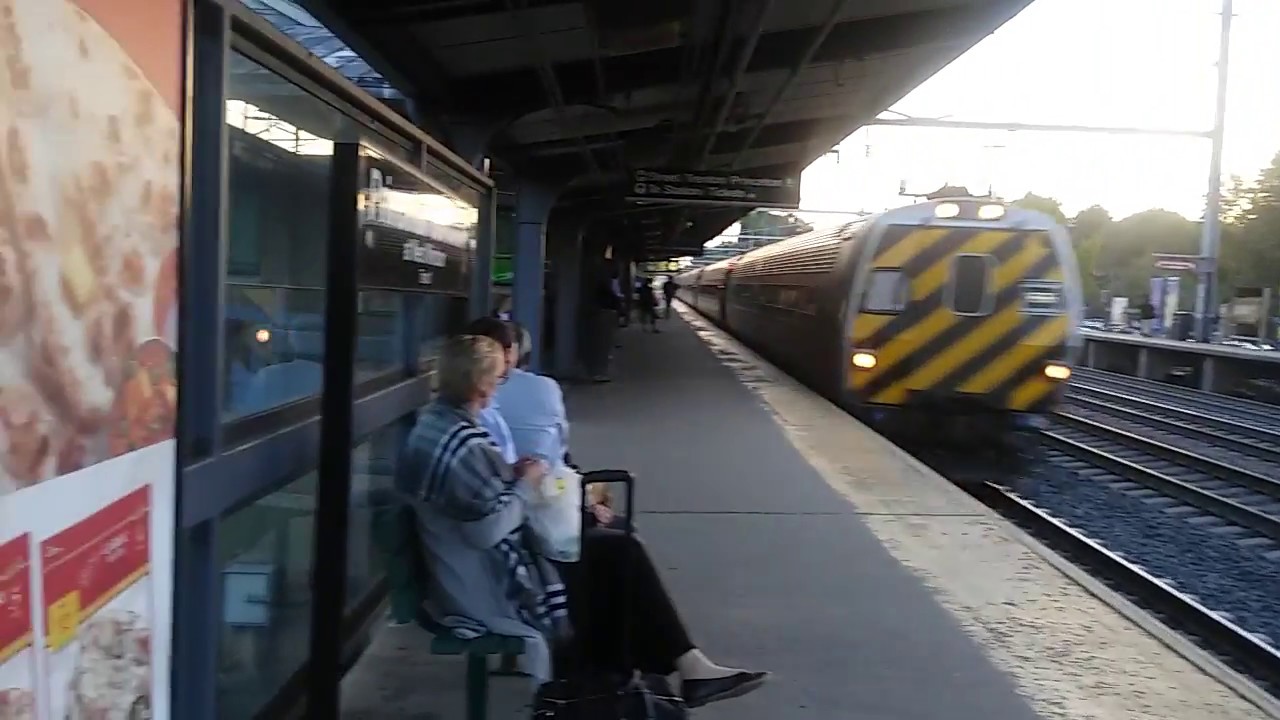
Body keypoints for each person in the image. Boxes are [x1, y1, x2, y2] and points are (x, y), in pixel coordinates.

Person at [398, 335, 768, 707]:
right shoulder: (463, 442)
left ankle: (661, 672)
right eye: (497, 378)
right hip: (483, 585)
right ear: (479, 383)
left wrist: (510, 475)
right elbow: (486, 531)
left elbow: (476, 498)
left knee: (614, 552)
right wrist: (525, 485)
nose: (500, 385)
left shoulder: (439, 426)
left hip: (467, 569)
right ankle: (619, 683)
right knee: (615, 555)